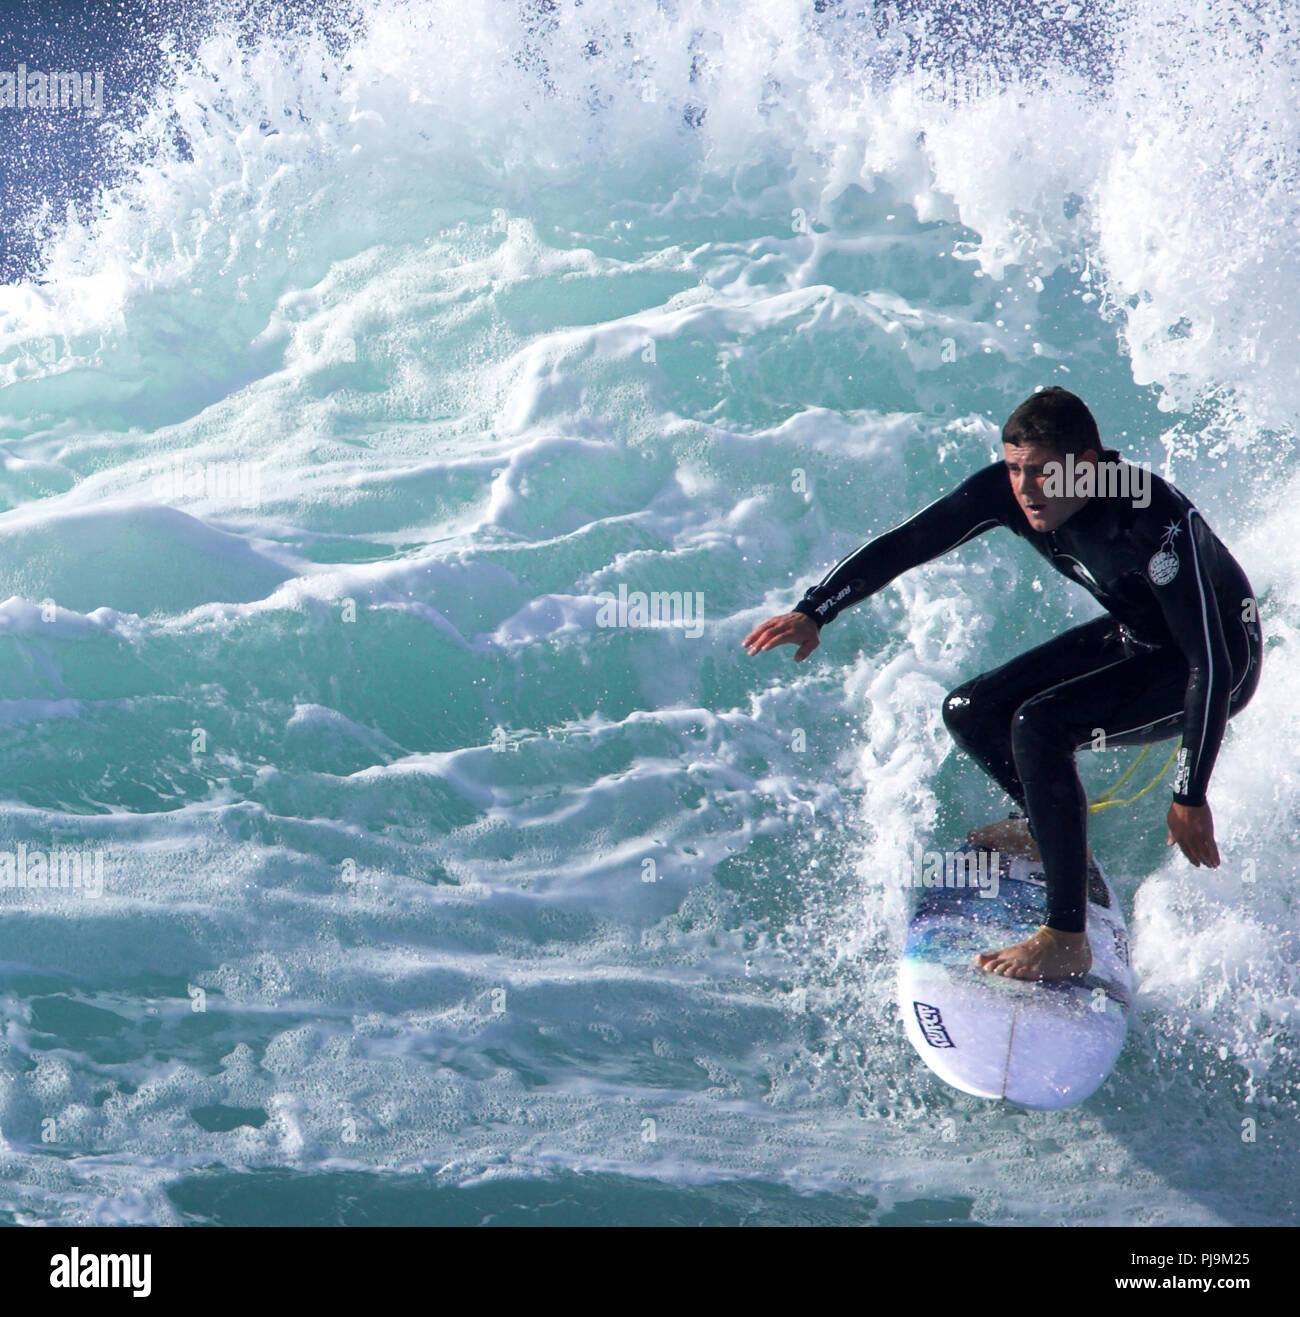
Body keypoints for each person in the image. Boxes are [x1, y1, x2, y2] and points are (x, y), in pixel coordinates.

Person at [742, 387, 1262, 980]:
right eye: (1016, 468)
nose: (1025, 487)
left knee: (1039, 725)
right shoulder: (1008, 493)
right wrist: (816, 610)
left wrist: (1190, 796)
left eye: (1043, 472)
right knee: (972, 710)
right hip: (1140, 633)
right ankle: (1049, 835)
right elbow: (909, 542)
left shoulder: (1150, 518)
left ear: (1087, 467)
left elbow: (1209, 661)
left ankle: (1066, 937)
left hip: (1220, 662)